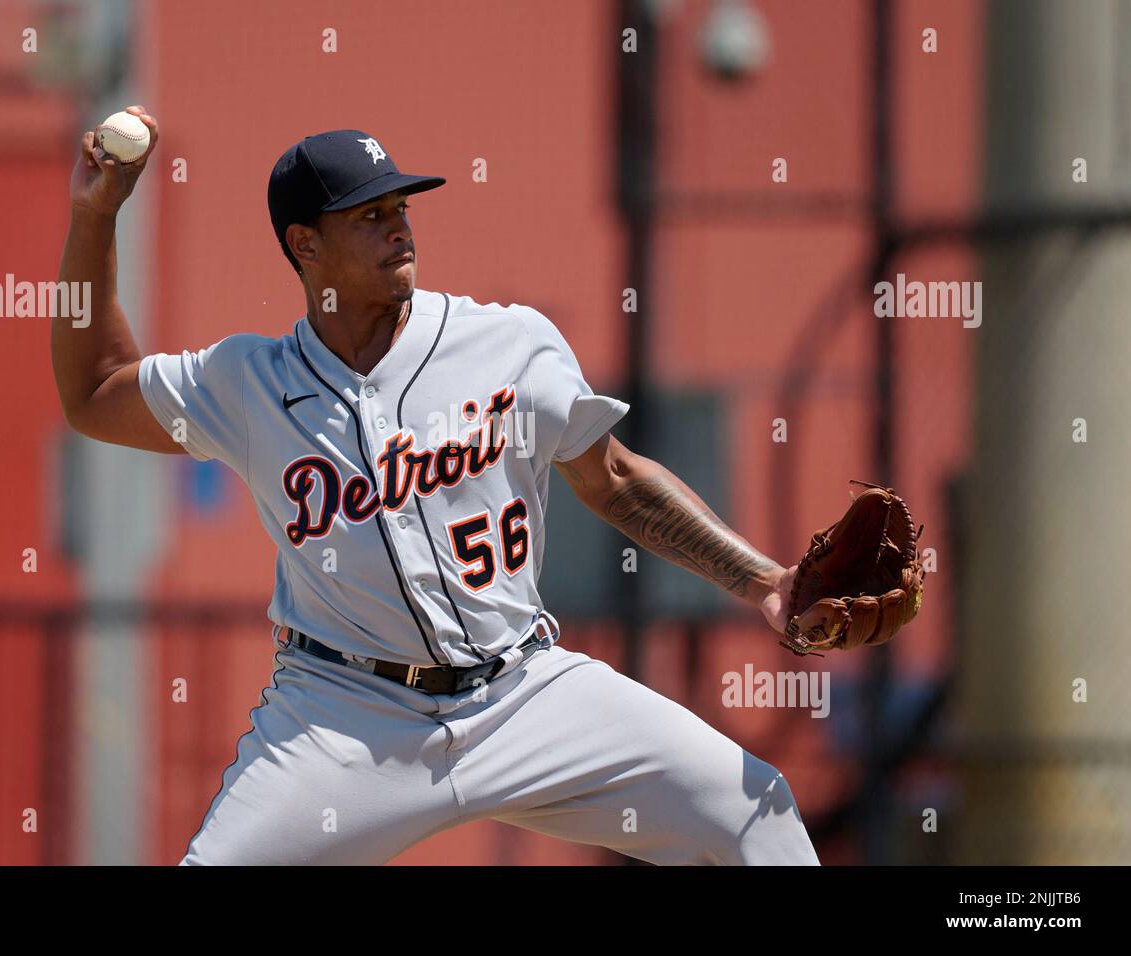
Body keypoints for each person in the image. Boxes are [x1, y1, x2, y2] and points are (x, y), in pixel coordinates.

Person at [53, 107, 819, 865]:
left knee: (757, 814)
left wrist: (763, 581)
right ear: (305, 244)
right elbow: (95, 389)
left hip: (524, 693)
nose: (399, 227)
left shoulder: (507, 344)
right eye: (369, 213)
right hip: (345, 717)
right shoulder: (249, 384)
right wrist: (96, 216)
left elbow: (614, 478)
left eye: (401, 207)